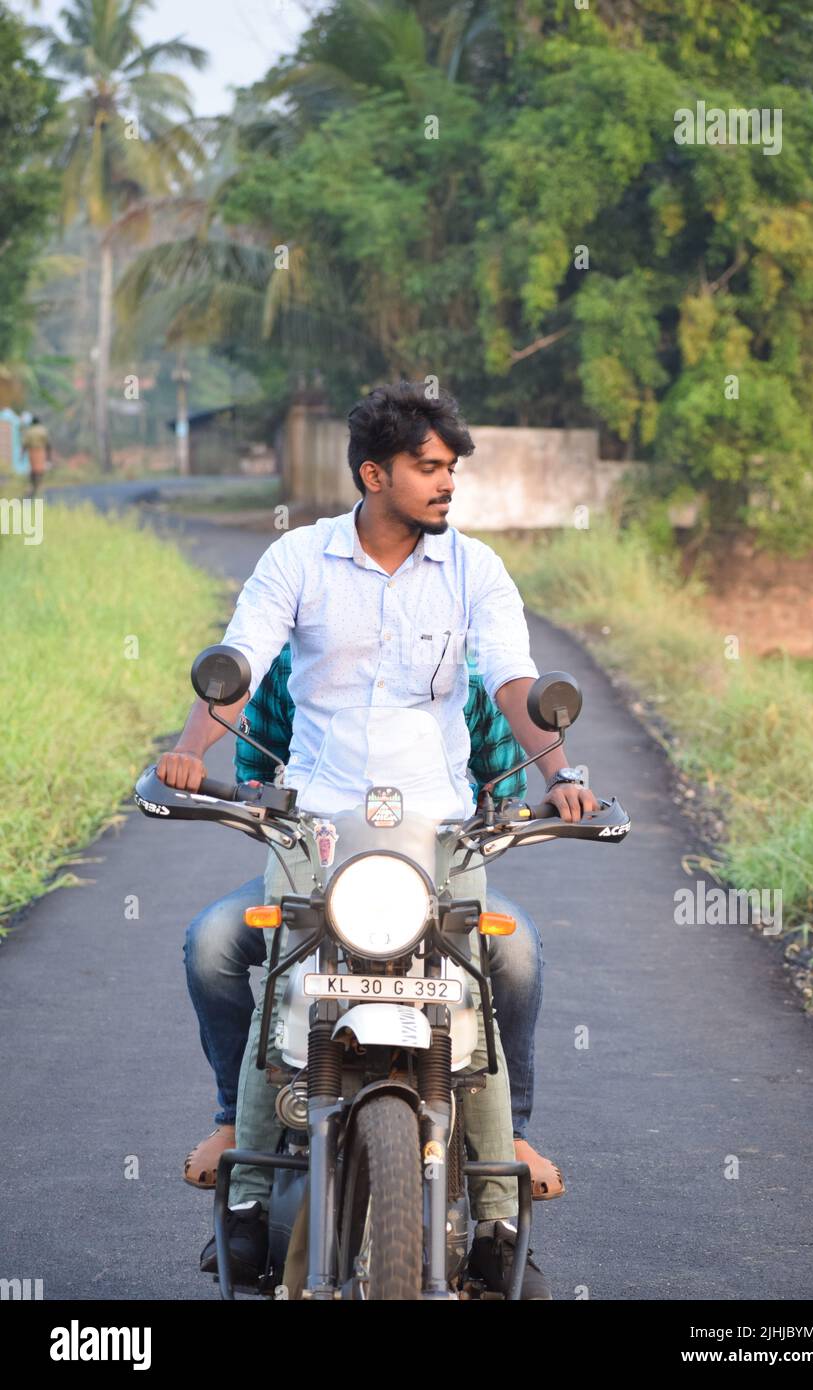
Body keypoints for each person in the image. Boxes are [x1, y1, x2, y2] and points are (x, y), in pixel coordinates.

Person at [157, 380, 597, 1298]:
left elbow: (516, 684)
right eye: (427, 468)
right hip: (314, 828)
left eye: (451, 470)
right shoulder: (298, 560)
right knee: (217, 948)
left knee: (509, 965)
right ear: (373, 473)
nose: (446, 486)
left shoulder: (475, 568)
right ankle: (244, 1170)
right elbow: (239, 668)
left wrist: (561, 775)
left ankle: (498, 1174)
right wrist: (190, 753)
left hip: (439, 834)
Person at [182, 646, 564, 1201]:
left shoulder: (472, 675)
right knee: (210, 942)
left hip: (434, 874)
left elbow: (503, 792)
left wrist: (539, 796)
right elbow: (256, 780)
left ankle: (513, 1137)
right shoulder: (290, 666)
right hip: (317, 869)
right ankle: (236, 1118)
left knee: (518, 950)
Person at [22, 416, 49, 498]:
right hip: (41, 450)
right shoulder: (43, 430)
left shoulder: (29, 431)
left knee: (33, 469)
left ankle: (33, 486)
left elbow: (25, 444)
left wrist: (22, 454)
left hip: (32, 451)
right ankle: (38, 486)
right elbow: (47, 442)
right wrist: (49, 455)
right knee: (40, 469)